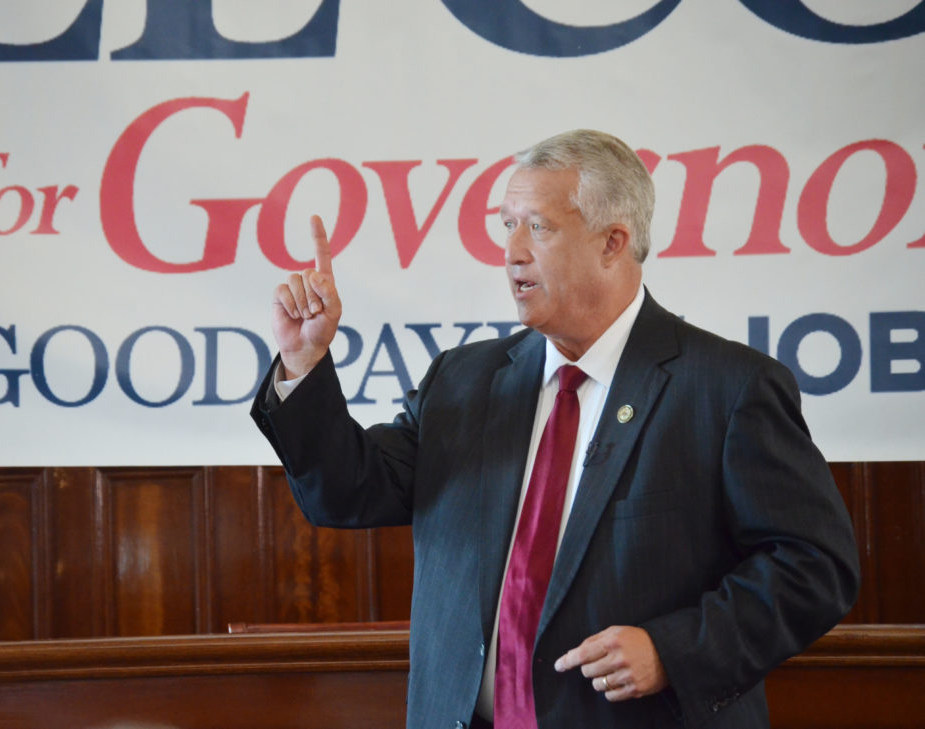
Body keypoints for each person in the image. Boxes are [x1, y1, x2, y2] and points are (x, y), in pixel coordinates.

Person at [250, 129, 859, 728]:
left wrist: (674, 650)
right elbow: (348, 491)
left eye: (537, 227)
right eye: (506, 225)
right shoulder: (464, 380)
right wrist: (303, 362)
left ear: (613, 242)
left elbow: (813, 565)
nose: (512, 251)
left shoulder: (726, 388)